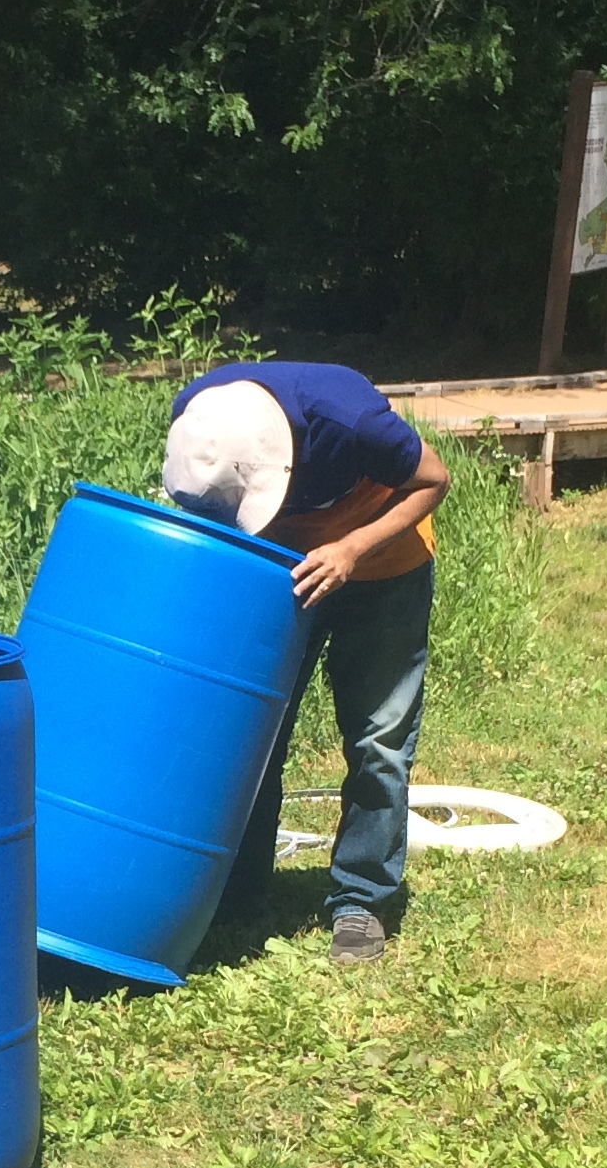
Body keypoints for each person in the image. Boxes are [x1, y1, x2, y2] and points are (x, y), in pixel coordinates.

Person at [161, 361, 451, 965]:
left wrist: (349, 548)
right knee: (252, 735)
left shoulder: (347, 416)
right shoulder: (202, 417)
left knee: (379, 738)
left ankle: (360, 901)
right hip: (281, 574)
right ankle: (237, 895)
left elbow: (433, 480)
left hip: (382, 565)